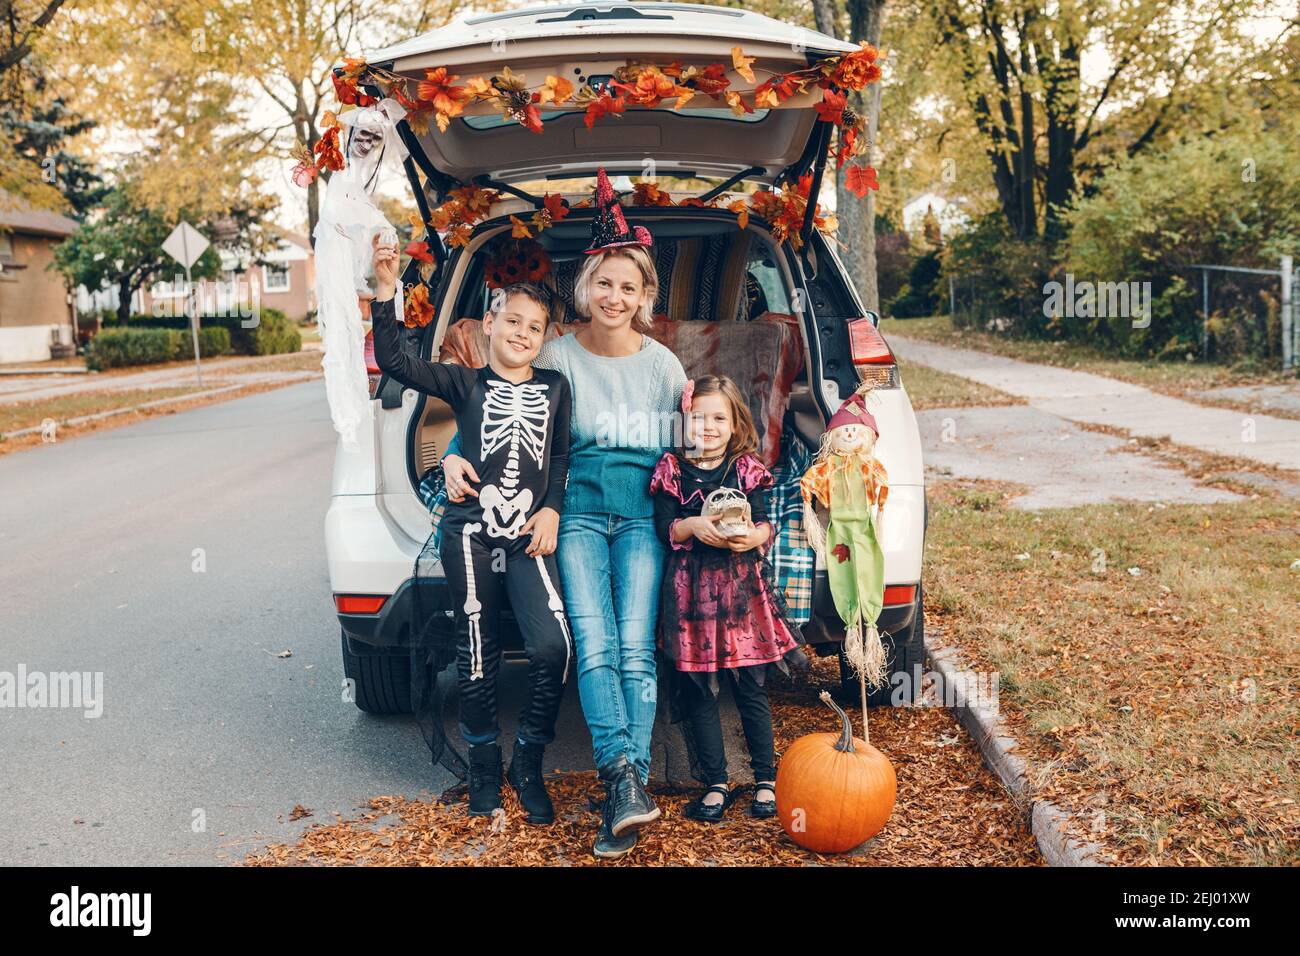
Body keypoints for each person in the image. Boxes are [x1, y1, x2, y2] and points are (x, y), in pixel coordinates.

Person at [442, 167, 686, 859]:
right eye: (603, 282)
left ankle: (625, 780)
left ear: (644, 297)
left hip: (640, 517)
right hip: (570, 514)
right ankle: (620, 773)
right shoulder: (553, 355)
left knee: (637, 647)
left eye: (628, 286)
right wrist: (453, 459)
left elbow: (683, 454)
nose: (614, 296)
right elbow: (495, 413)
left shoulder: (664, 369)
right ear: (586, 288)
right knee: (594, 644)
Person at [370, 238, 574, 826]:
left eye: (534, 327)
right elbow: (397, 364)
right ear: (488, 323)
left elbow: (558, 460)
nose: (522, 333)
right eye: (512, 321)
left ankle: (528, 760)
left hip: (530, 534)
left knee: (551, 646)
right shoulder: (465, 384)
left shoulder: (556, 389)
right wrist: (387, 292)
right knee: (477, 647)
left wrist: (552, 509)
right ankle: (485, 760)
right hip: (471, 531)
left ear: (544, 337)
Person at [649, 375, 803, 822]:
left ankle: (765, 779)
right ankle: (715, 782)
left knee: (750, 687)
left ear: (736, 423)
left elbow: (764, 522)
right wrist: (692, 526)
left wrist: (754, 535)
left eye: (719, 417)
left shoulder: (745, 469)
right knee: (700, 690)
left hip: (740, 594)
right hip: (691, 594)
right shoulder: (671, 469)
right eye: (698, 418)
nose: (708, 426)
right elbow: (665, 527)